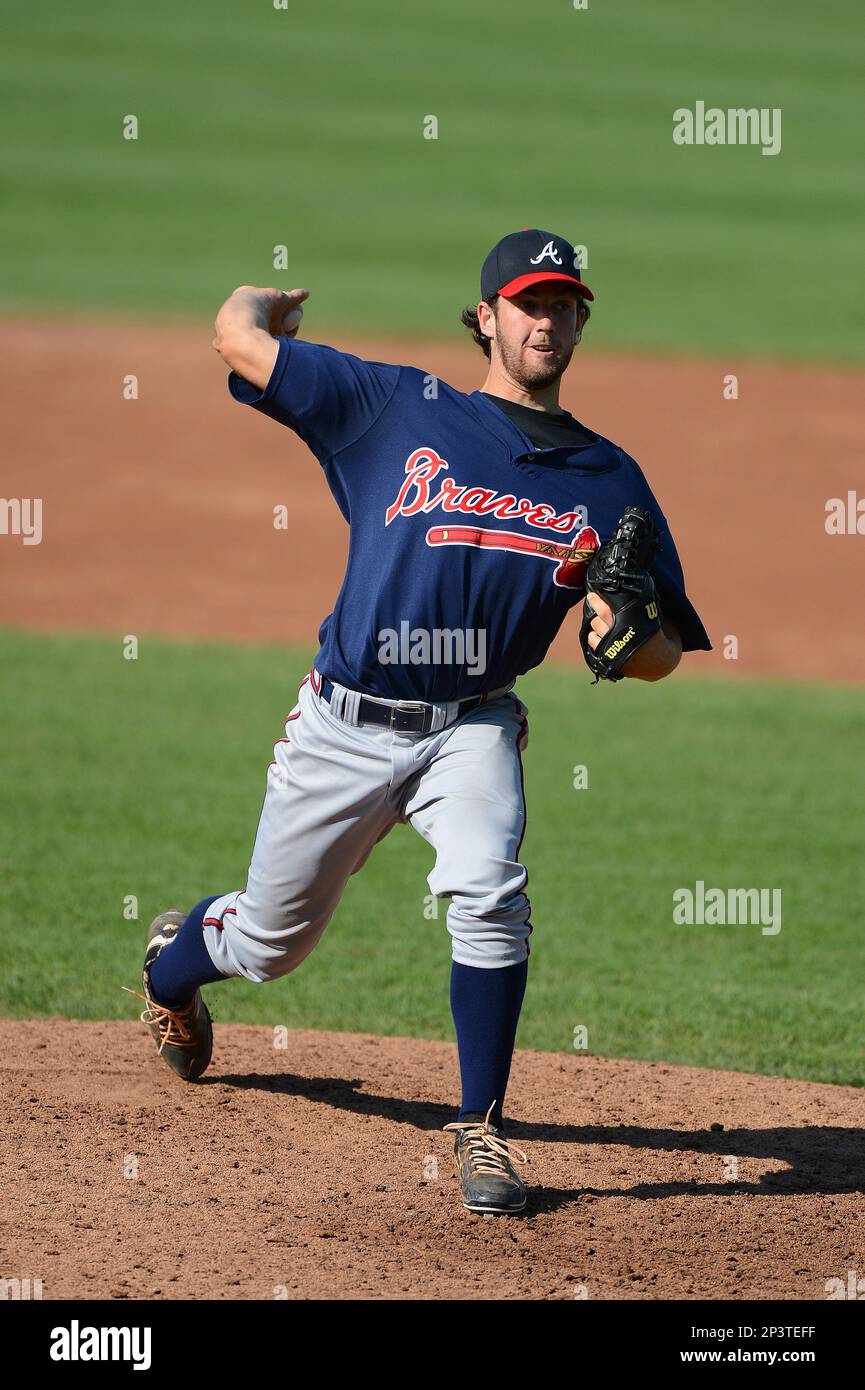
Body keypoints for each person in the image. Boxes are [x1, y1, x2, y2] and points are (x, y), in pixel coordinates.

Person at [127, 228, 710, 1215]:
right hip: (342, 726)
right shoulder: (389, 406)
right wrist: (264, 306)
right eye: (528, 303)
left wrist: (626, 643)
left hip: (471, 727)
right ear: (485, 317)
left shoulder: (612, 482)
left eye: (565, 304)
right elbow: (233, 337)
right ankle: (174, 967)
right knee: (270, 946)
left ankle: (480, 1125)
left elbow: (658, 650)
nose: (548, 320)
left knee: (489, 889)